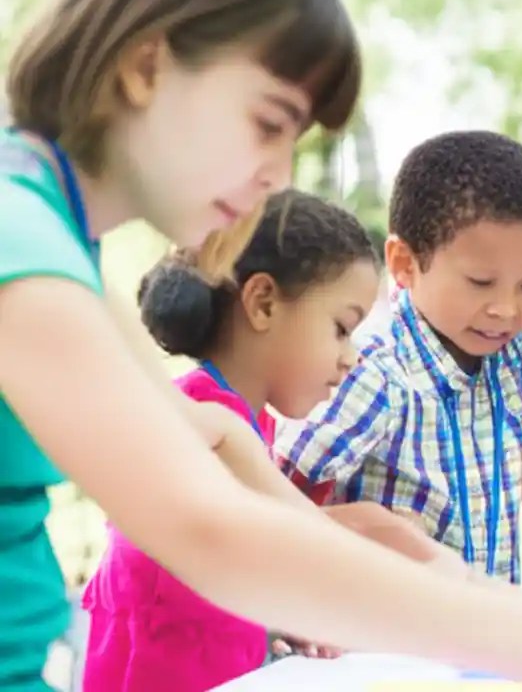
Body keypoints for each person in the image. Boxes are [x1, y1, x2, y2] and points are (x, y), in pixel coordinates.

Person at [0, 0, 522, 690]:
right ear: (147, 66)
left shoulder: (53, 236)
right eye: (268, 123)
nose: (277, 176)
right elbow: (205, 528)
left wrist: (469, 586)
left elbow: (207, 443)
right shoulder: (21, 245)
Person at [84, 190, 448, 690]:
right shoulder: (205, 420)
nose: (352, 357)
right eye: (340, 328)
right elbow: (269, 530)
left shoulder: (248, 421)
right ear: (263, 304)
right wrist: (376, 527)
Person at [276, 131, 522, 593]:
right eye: (480, 282)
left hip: (486, 622)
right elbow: (274, 495)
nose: (507, 310)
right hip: (383, 627)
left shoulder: (511, 351)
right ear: (405, 264)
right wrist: (361, 527)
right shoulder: (373, 373)